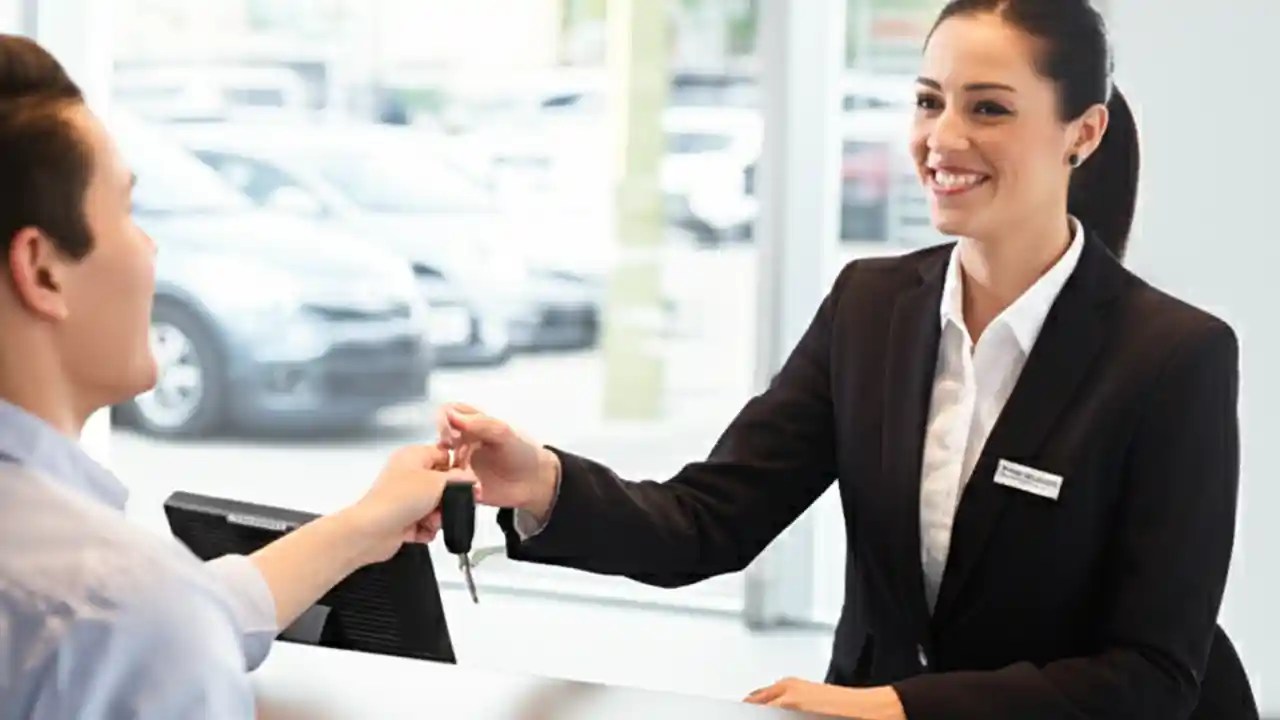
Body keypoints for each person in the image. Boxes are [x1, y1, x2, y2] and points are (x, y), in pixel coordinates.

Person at [436, 1, 1258, 718]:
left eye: (990, 109)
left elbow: (1152, 673)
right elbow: (709, 521)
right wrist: (542, 480)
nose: (943, 138)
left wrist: (902, 707)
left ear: (1083, 131)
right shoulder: (871, 309)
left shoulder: (1172, 358)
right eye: (929, 101)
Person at [0, 35, 455, 718]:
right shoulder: (119, 614)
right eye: (126, 212)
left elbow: (179, 612)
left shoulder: (105, 603)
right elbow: (143, 621)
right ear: (42, 270)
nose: (149, 246)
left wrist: (362, 528)